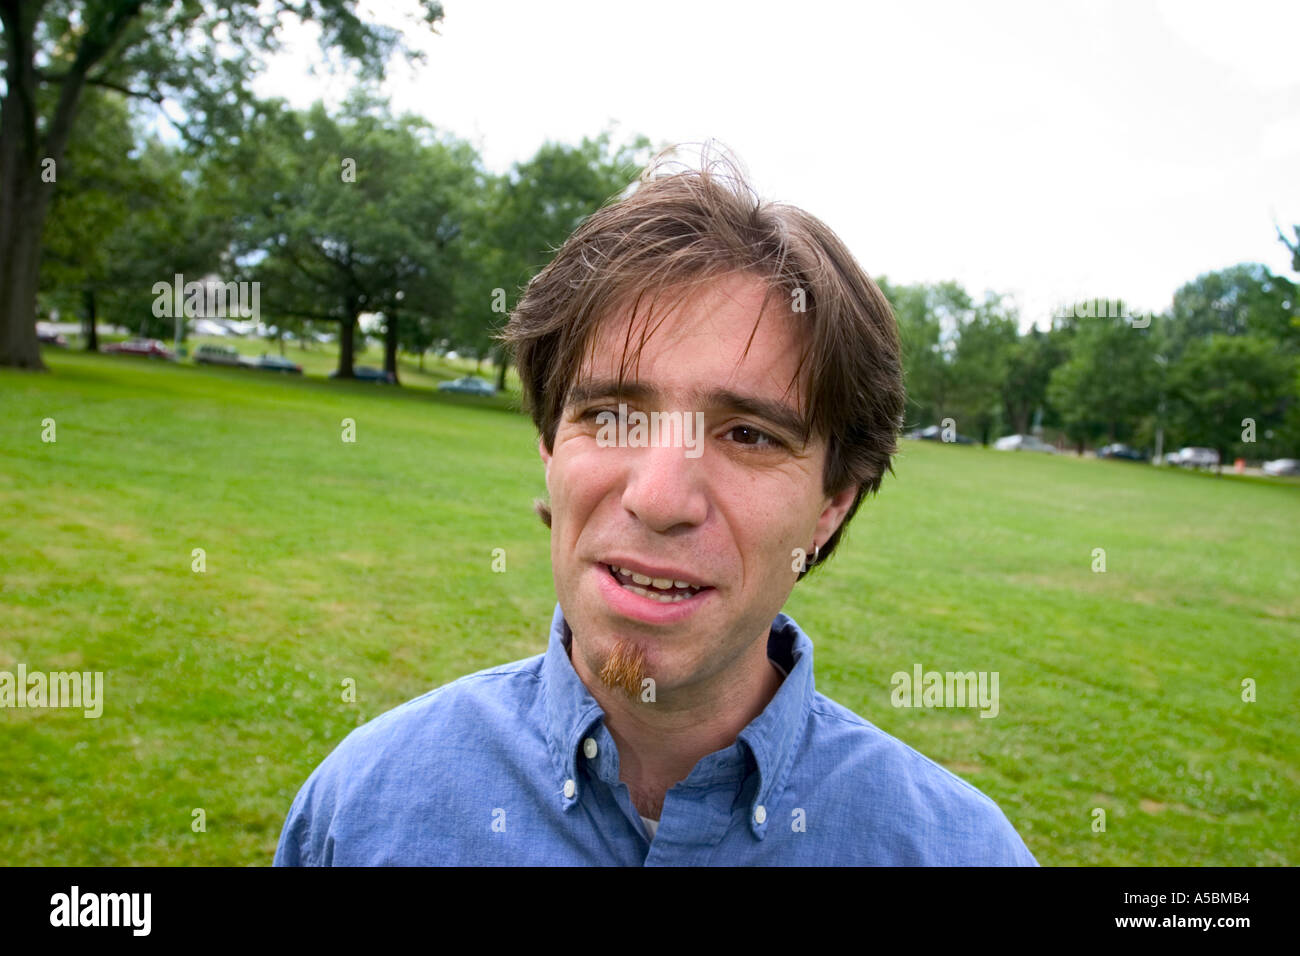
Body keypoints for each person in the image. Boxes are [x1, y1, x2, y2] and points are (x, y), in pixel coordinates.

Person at [274, 146, 1037, 866]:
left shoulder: (960, 851)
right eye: (610, 416)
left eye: (749, 434)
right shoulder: (360, 812)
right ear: (549, 449)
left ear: (831, 505)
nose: (659, 499)